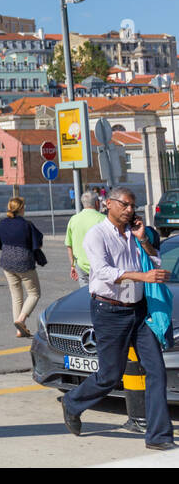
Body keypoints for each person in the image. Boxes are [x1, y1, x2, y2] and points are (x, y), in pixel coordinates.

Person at [59, 186, 174, 450]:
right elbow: (103, 272)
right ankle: (73, 402)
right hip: (109, 311)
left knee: (156, 370)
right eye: (125, 205)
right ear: (108, 204)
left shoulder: (134, 235)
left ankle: (158, 436)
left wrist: (143, 239)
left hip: (139, 311)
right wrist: (142, 277)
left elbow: (154, 263)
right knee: (111, 375)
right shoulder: (96, 236)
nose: (130, 210)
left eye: (133, 206)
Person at [0, 196, 43, 337]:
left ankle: (18, 329)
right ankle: (21, 320)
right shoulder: (27, 225)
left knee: (16, 296)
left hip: (7, 263)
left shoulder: (2, 223)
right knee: (34, 293)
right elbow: (37, 243)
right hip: (24, 262)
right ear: (21, 208)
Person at [65, 191, 106, 286]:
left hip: (81, 266)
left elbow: (69, 245)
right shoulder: (104, 219)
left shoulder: (73, 220)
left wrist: (72, 265)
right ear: (96, 203)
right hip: (101, 266)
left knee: (85, 295)